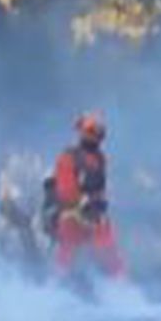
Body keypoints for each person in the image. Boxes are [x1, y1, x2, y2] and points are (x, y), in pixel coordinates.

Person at [50, 111, 127, 281]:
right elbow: (65, 189)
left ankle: (120, 284)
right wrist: (83, 202)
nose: (96, 138)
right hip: (72, 213)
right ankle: (56, 283)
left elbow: (100, 186)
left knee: (109, 249)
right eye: (92, 132)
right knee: (68, 248)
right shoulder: (68, 157)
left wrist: (101, 202)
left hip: (95, 214)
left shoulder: (100, 158)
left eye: (99, 133)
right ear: (83, 133)